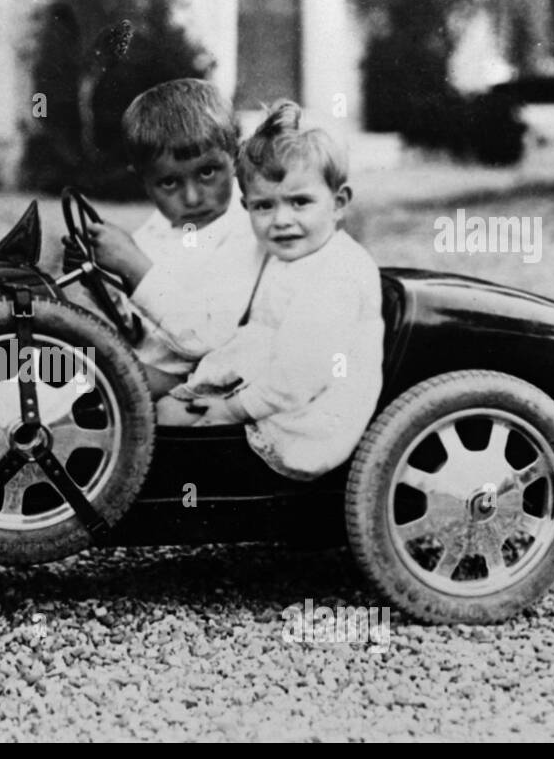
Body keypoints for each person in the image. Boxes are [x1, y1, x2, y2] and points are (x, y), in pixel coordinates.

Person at [156, 99, 384, 481]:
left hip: (306, 424)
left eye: (300, 202)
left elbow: (301, 374)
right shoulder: (296, 257)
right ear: (246, 207)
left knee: (164, 419)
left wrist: (230, 409)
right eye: (264, 207)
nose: (282, 221)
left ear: (339, 203)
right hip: (279, 393)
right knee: (162, 404)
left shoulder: (337, 274)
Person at [69, 78, 262, 398]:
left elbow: (206, 337)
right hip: (149, 366)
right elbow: (134, 328)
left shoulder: (246, 232)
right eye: (169, 182)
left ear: (236, 157)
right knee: (54, 357)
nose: (192, 197)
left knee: (78, 370)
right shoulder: (158, 229)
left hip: (200, 382)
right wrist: (102, 284)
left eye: (207, 172)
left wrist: (134, 266)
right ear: (144, 181)